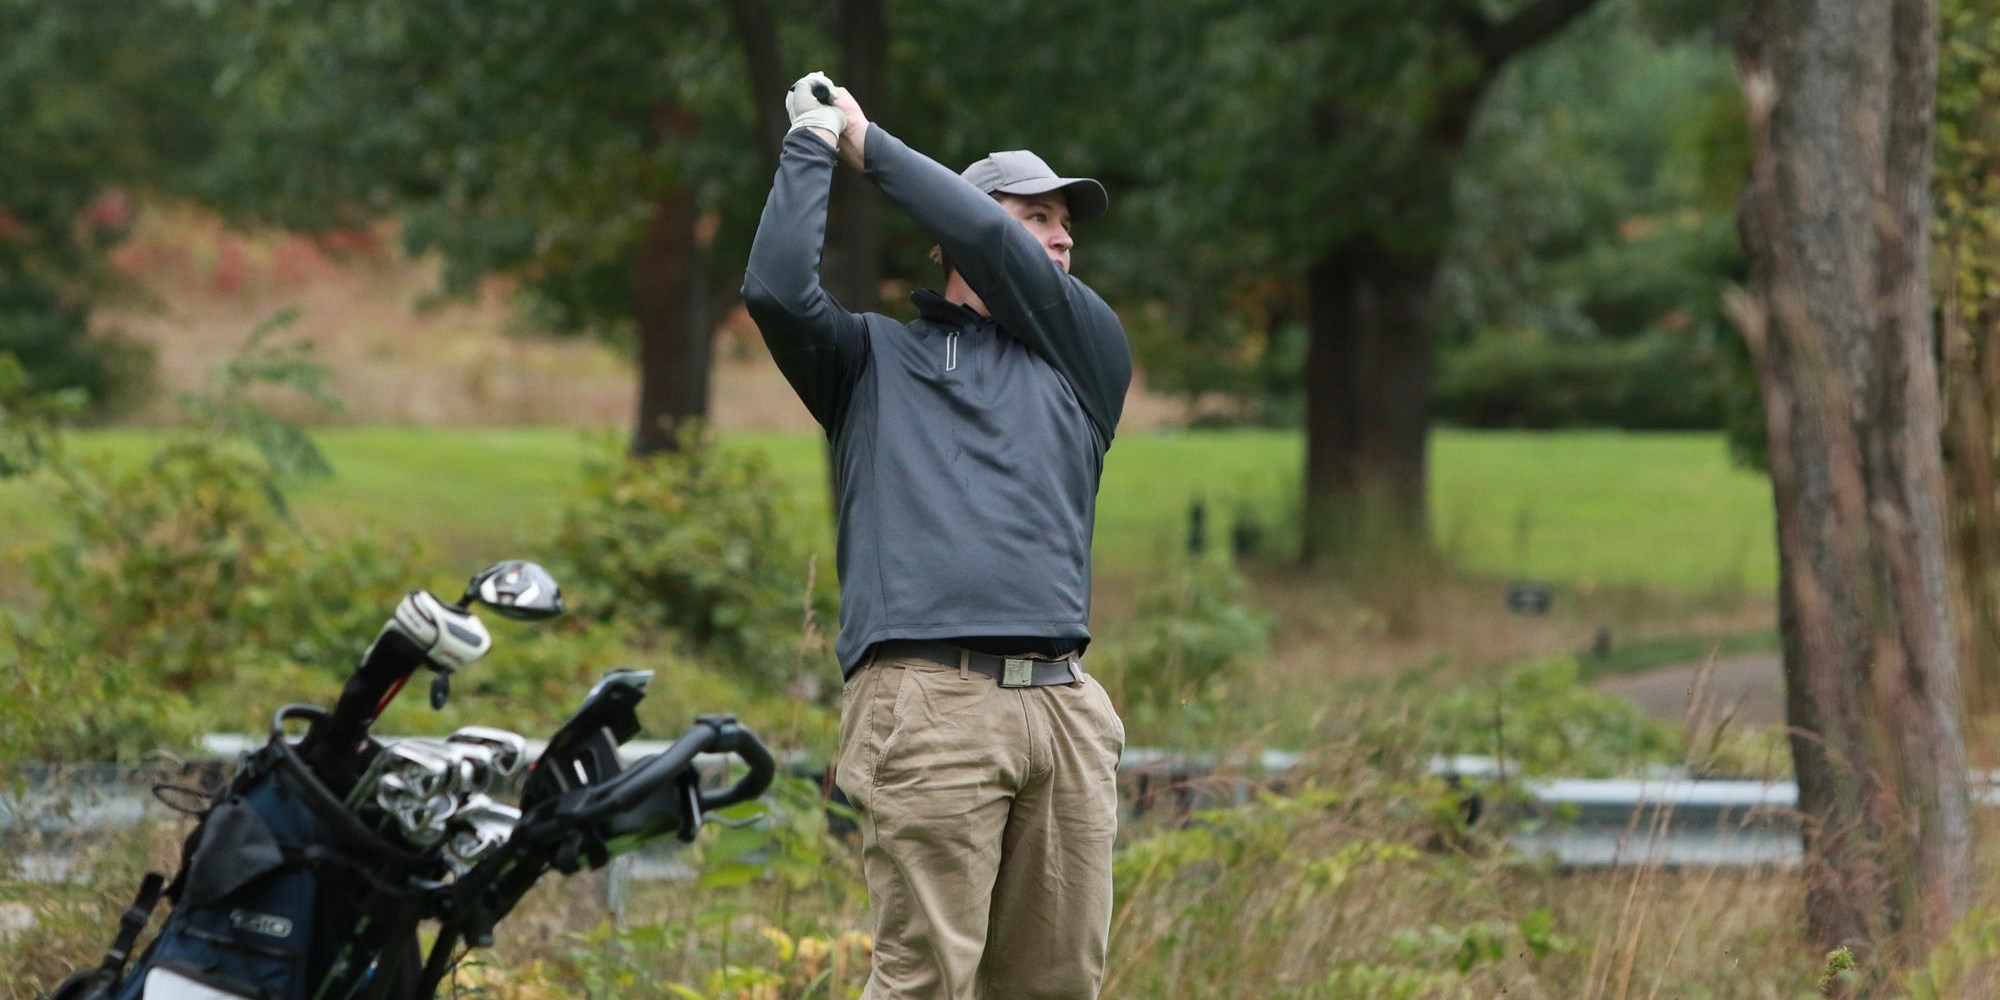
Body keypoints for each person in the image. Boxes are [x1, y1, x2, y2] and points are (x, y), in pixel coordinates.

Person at [740, 71, 1131, 999]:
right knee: (923, 984)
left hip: (1065, 708)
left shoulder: (1086, 354)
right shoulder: (871, 359)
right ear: (957, 230)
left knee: (1057, 988)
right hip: (927, 699)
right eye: (1036, 216)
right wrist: (815, 143)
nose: (1062, 237)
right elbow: (777, 294)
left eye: (1065, 222)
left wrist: (871, 144)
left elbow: (993, 245)